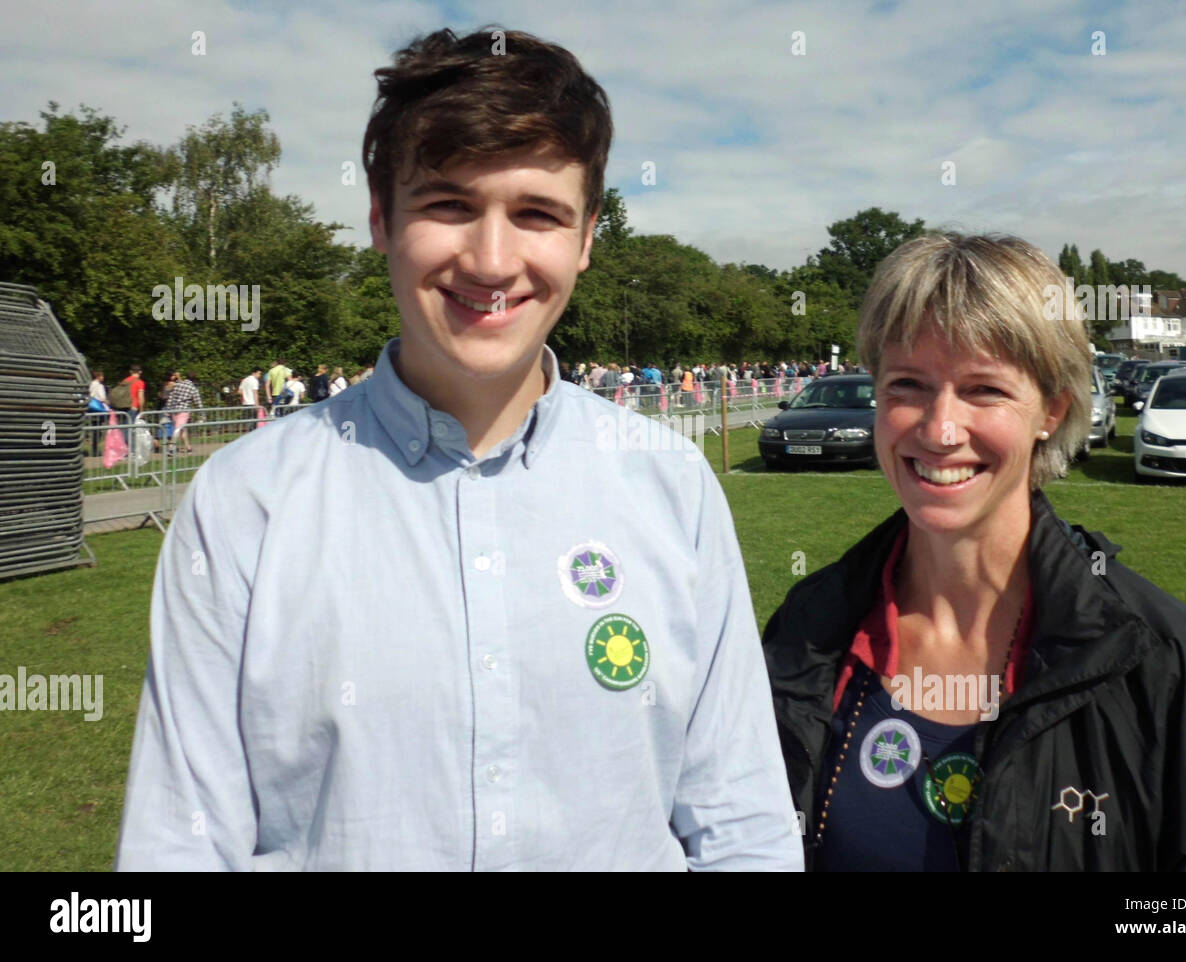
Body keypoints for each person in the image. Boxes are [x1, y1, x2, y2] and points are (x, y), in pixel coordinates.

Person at [116, 26, 800, 873]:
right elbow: (178, 848)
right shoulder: (245, 502)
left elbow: (742, 825)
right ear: (381, 220)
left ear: (586, 238)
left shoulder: (673, 486)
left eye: (538, 214)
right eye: (448, 205)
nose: (491, 259)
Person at [762, 232, 1186, 872]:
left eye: (984, 389)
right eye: (908, 385)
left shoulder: (1169, 666)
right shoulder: (807, 629)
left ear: (1051, 409)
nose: (940, 429)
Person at [163, 372, 201, 454]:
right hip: (184, 411)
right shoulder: (193, 388)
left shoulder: (177, 385)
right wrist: (202, 415)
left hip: (174, 411)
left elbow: (170, 398)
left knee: (181, 430)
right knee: (178, 430)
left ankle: (188, 448)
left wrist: (168, 410)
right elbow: (198, 402)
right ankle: (171, 447)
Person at [87, 370, 109, 456]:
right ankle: (95, 450)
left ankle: (93, 449)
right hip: (99, 409)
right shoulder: (100, 386)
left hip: (91, 409)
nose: (103, 378)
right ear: (98, 376)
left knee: (94, 430)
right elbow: (102, 398)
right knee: (98, 431)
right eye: (102, 376)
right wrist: (107, 403)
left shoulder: (91, 384)